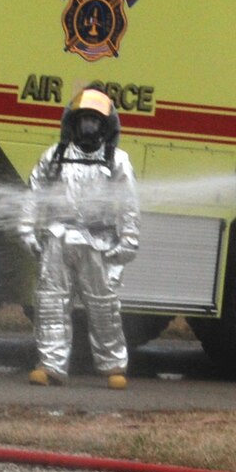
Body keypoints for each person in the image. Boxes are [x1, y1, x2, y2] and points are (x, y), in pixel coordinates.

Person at [20, 86, 140, 388]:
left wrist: (129, 238)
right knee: (51, 304)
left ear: (105, 126)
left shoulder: (117, 160)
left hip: (98, 243)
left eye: (95, 121)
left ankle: (113, 367)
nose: (89, 127)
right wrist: (27, 228)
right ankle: (51, 366)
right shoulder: (54, 156)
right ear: (72, 124)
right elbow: (34, 193)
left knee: (104, 307)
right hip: (57, 239)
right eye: (84, 120)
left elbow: (128, 203)